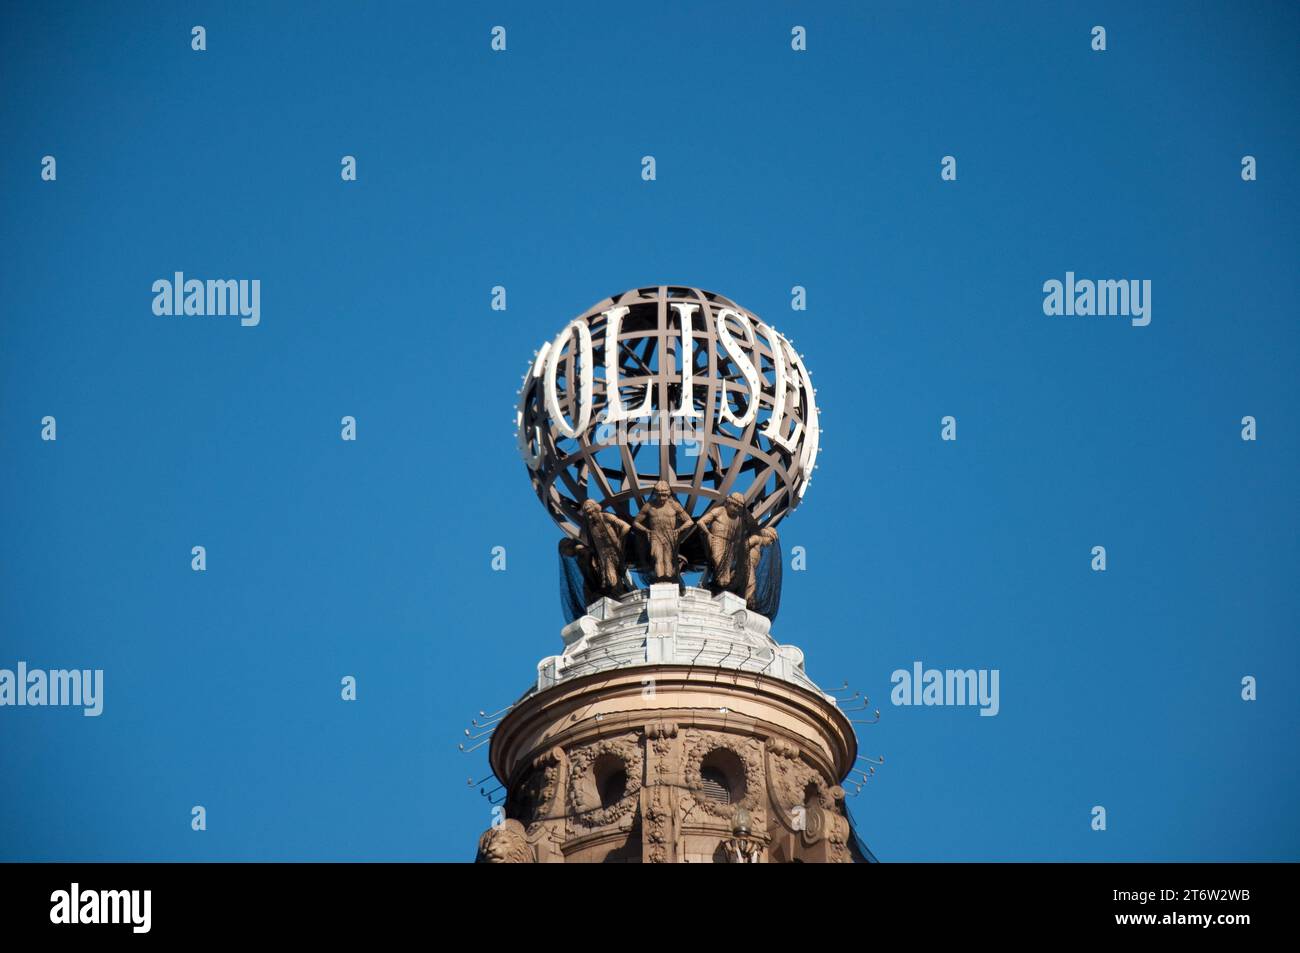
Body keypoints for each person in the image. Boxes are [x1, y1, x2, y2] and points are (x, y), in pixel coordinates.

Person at [633, 480, 694, 582]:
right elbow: (636, 522)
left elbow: (689, 521)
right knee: (658, 558)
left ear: (668, 494)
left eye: (664, 495)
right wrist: (647, 530)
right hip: (655, 535)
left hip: (670, 535)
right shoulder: (649, 506)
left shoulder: (674, 505)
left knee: (668, 559)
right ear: (655, 494)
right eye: (659, 495)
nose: (662, 498)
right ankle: (660, 579)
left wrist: (679, 530)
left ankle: (668, 579)